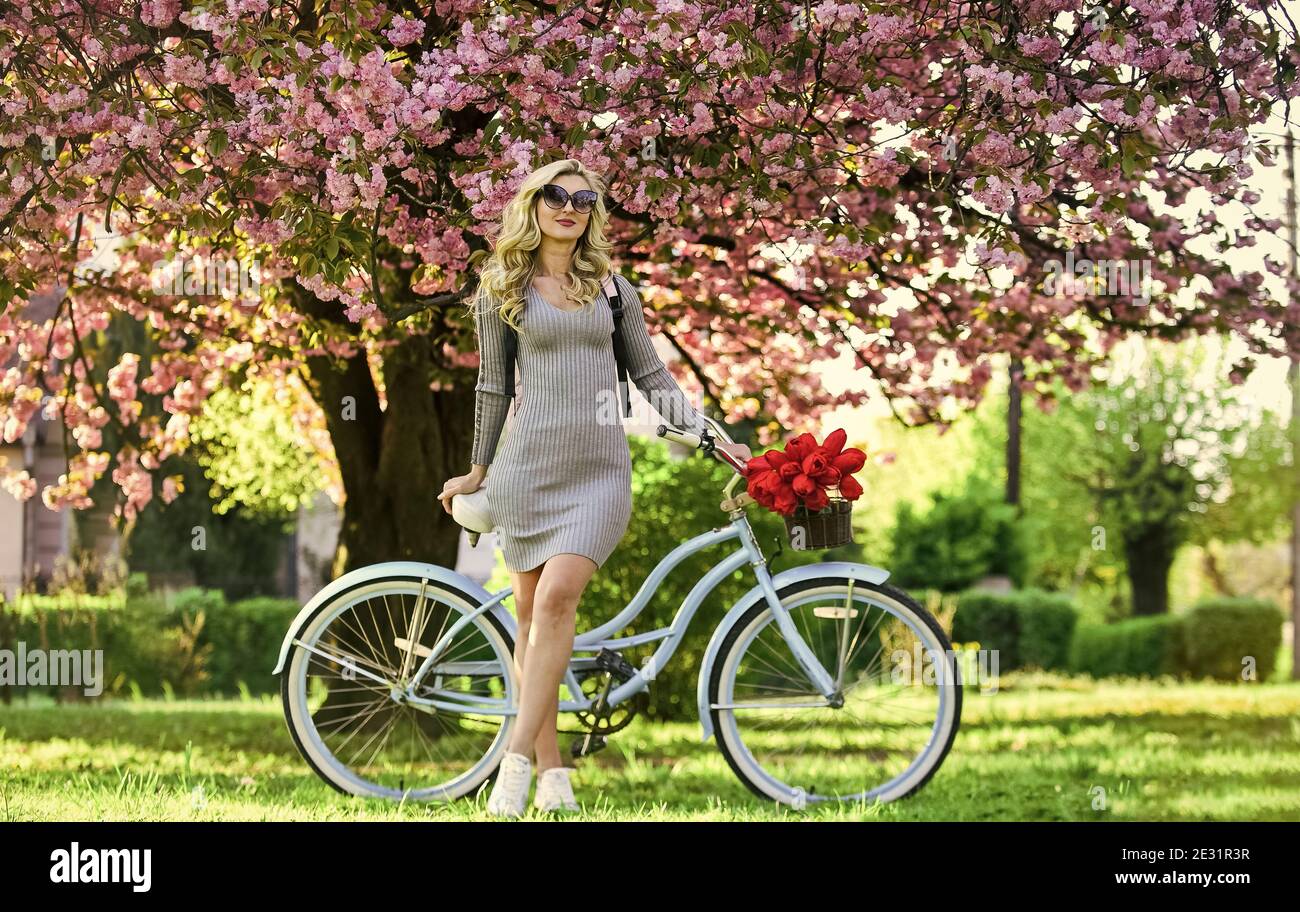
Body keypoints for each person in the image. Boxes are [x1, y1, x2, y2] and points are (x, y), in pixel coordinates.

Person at [437, 158, 749, 817]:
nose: (569, 207)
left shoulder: (614, 291)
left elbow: (654, 379)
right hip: (526, 471)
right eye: (557, 195)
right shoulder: (504, 287)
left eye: (583, 199)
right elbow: (492, 387)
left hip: (599, 474)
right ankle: (554, 776)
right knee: (530, 625)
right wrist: (478, 469)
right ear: (535, 204)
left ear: (592, 214)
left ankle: (512, 760)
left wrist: (714, 433)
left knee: (556, 601)